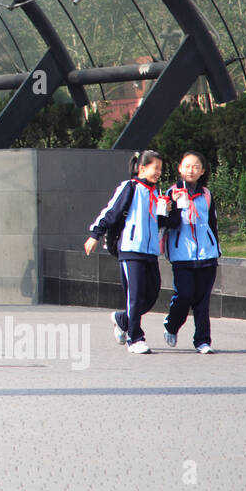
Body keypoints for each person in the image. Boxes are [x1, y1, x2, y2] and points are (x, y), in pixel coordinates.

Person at [84, 150, 176, 353]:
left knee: (151, 294)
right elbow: (111, 212)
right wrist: (95, 235)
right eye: (155, 168)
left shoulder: (155, 193)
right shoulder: (130, 187)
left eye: (160, 168)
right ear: (142, 168)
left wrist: (168, 211)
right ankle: (135, 338)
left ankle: (121, 319)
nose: (158, 172)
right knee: (134, 295)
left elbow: (158, 222)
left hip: (150, 251)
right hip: (131, 249)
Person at [162, 151, 219, 354]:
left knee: (202, 302)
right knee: (184, 295)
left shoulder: (206, 194)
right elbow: (168, 223)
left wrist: (216, 249)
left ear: (202, 170)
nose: (191, 170)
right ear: (179, 168)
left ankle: (202, 341)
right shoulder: (171, 192)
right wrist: (176, 205)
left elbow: (212, 224)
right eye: (187, 166)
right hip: (182, 254)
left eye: (196, 166)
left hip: (207, 255)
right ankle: (171, 324)